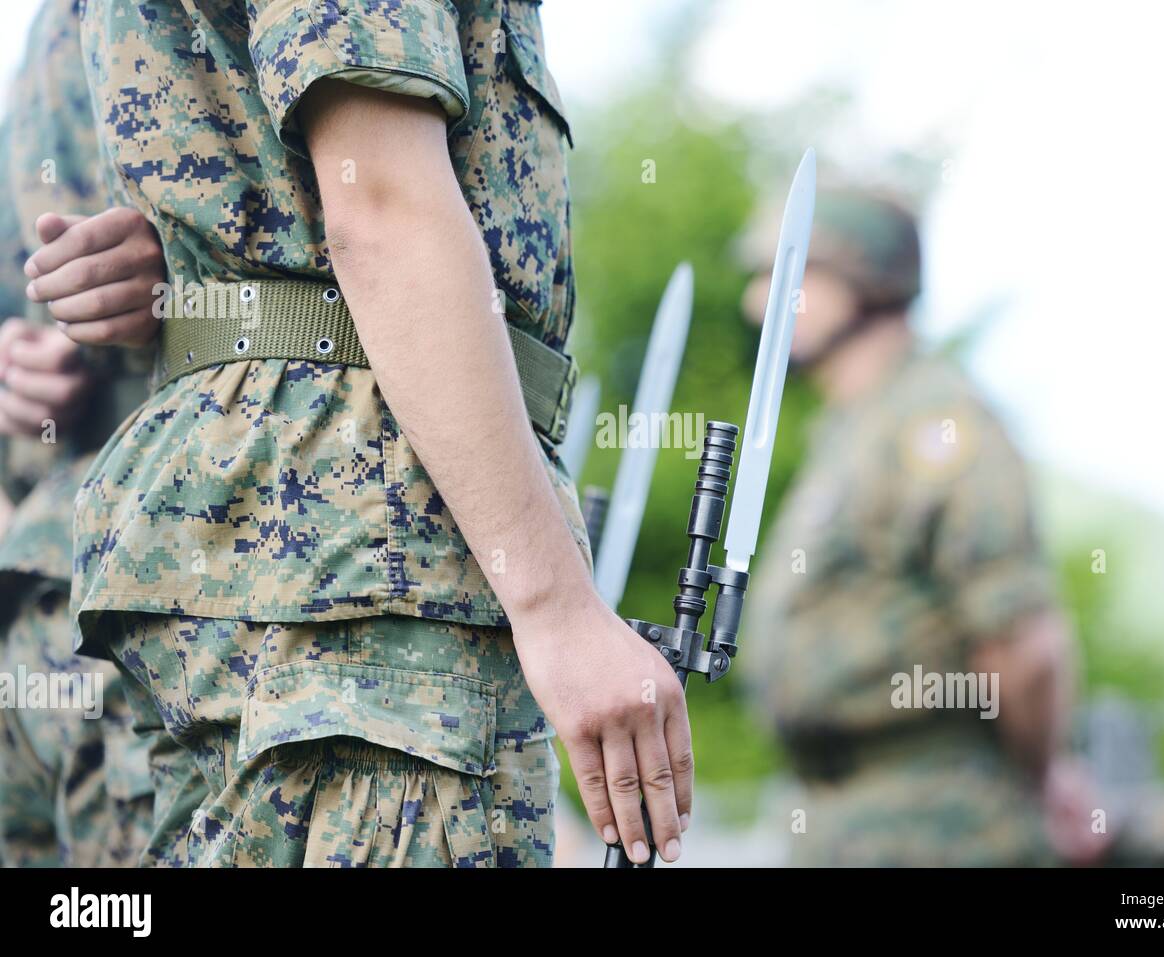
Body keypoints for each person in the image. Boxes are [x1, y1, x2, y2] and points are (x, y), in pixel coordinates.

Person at [27, 0, 693, 867]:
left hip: (284, 543)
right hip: (367, 548)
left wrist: (201, 274)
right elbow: (380, 205)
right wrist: (559, 608)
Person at [740, 186, 1105, 866]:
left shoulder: (937, 423)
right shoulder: (856, 429)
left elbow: (1023, 643)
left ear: (863, 281)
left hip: (941, 825)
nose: (757, 303)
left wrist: (1044, 773)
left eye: (788, 275)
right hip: (845, 819)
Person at [0, 0, 160, 867]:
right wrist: (15, 370)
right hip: (43, 611)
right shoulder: (41, 49)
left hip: (192, 609)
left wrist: (187, 283)